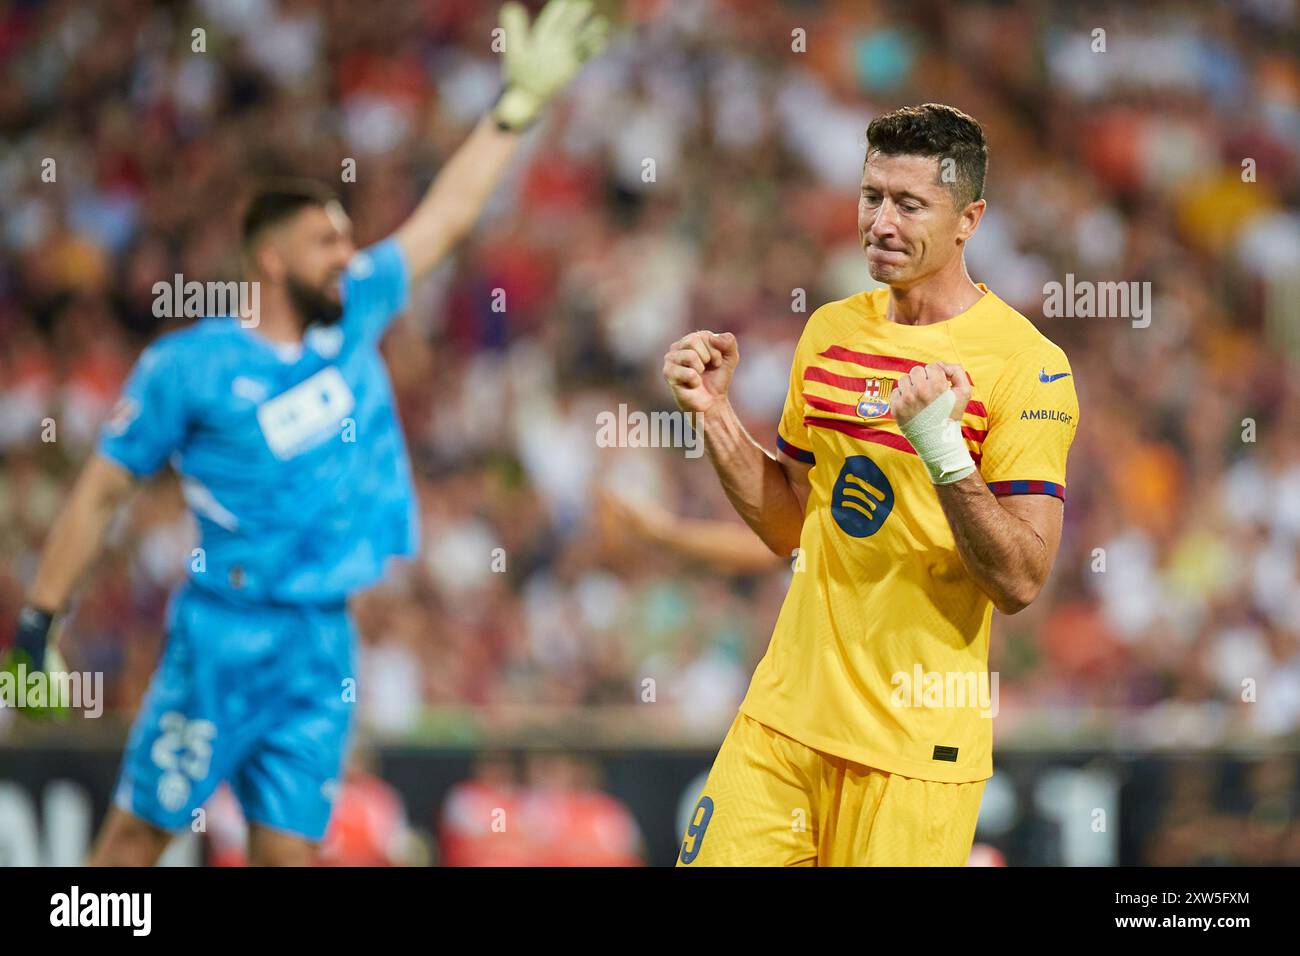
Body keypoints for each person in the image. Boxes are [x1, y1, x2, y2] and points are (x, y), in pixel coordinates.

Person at [2, 0, 608, 866]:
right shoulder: (191, 366)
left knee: (291, 856)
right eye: (327, 240)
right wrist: (37, 624)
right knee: (134, 842)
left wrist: (514, 110)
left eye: (349, 237)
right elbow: (103, 489)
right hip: (222, 634)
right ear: (271, 258)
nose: (348, 252)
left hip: (322, 645)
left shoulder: (354, 313)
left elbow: (443, 219)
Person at [663, 103, 1080, 866]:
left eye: (910, 204)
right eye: (871, 196)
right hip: (784, 718)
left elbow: (1021, 579)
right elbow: (789, 523)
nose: (880, 223)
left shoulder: (1029, 364)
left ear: (969, 220)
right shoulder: (830, 331)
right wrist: (717, 417)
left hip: (915, 752)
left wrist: (942, 450)